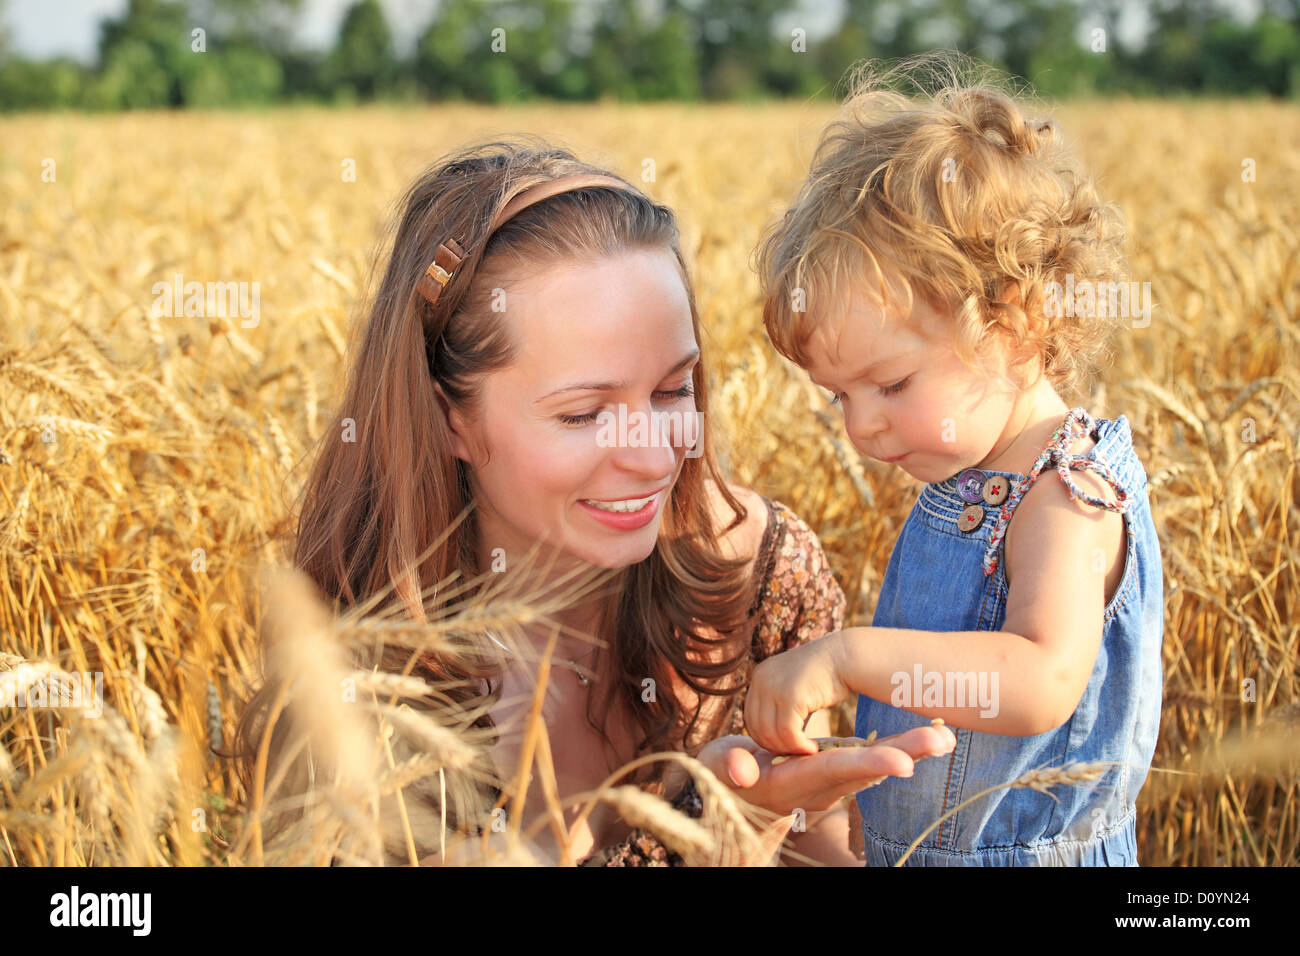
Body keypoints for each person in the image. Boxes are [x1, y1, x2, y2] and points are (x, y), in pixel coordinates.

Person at [234, 137, 956, 867]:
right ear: (446, 416)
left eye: (674, 390)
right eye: (583, 414)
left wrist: (772, 828)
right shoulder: (353, 688)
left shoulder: (761, 579)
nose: (653, 455)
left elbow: (825, 853)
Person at [747, 58, 1164, 865]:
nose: (862, 428)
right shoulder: (975, 474)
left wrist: (846, 658)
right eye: (839, 398)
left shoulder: (1065, 498)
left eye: (891, 384)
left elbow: (1039, 681)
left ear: (1015, 323)